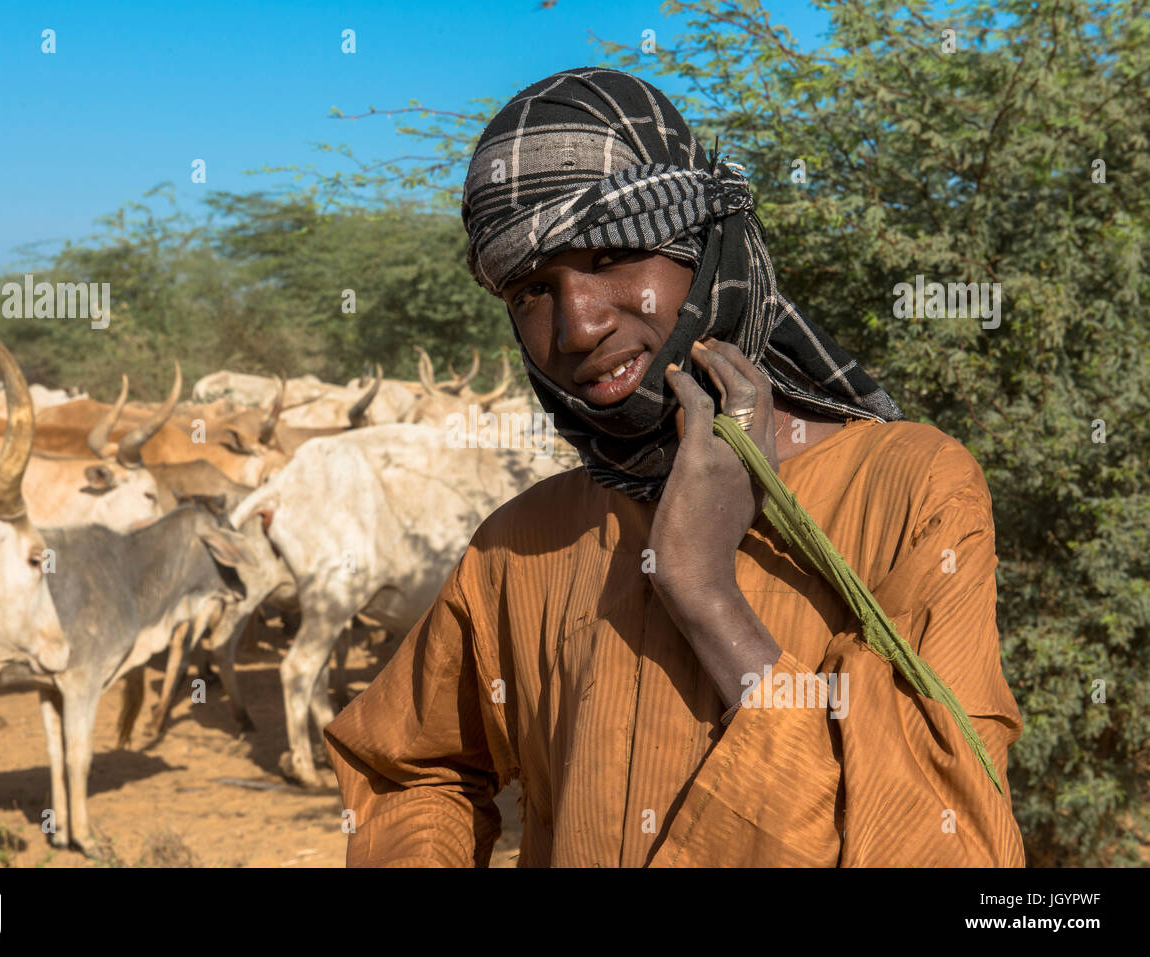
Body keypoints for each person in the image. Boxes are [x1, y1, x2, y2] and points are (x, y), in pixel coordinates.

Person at [323, 66, 1025, 867]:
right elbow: (410, 768)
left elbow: (949, 843)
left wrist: (703, 589)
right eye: (530, 291)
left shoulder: (913, 489)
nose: (578, 324)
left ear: (706, 243)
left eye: (617, 253)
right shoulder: (519, 544)